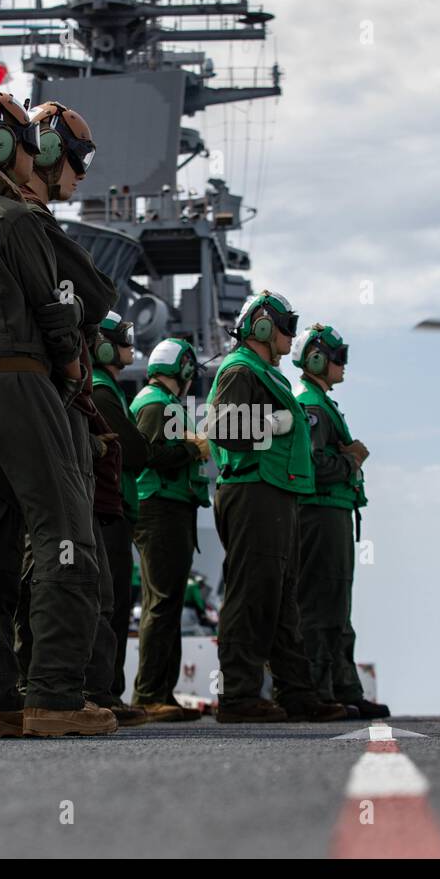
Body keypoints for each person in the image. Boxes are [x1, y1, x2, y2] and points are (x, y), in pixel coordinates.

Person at [0, 90, 115, 737]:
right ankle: (55, 697)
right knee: (64, 534)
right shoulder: (14, 220)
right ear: (8, 148)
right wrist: (67, 358)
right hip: (21, 385)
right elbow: (64, 306)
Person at [14, 102, 146, 727]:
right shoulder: (28, 225)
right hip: (32, 397)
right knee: (66, 553)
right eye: (78, 158)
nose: (84, 173)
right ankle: (56, 696)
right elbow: (92, 295)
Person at [206, 290, 348, 723]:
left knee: (283, 599)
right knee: (251, 595)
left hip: (275, 491)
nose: (291, 334)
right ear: (263, 327)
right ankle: (239, 696)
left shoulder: (265, 374)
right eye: (286, 325)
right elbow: (220, 426)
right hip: (253, 489)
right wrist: (274, 423)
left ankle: (298, 693)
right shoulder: (239, 370)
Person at [291, 324, 389, 718]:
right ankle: (320, 691)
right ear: (316, 359)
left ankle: (343, 688)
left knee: (337, 605)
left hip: (332, 511)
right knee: (321, 605)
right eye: (338, 356)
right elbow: (312, 464)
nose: (343, 364)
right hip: (321, 512)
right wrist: (351, 459)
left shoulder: (319, 401)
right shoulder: (312, 406)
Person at [129, 338, 210, 722]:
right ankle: (148, 695)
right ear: (186, 370)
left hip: (170, 506)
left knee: (168, 603)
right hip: (160, 507)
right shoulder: (156, 404)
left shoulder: (161, 402)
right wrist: (195, 449)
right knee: (162, 603)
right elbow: (149, 455)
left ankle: (161, 692)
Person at [89, 311, 149, 700]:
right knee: (110, 602)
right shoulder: (102, 390)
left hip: (116, 503)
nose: (130, 344)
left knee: (115, 601)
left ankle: (108, 691)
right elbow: (136, 450)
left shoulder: (107, 388)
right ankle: (105, 692)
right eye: (122, 338)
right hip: (109, 506)